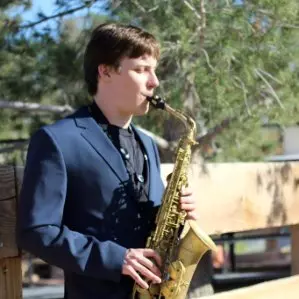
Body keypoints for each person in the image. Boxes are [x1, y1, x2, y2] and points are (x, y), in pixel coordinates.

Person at [17, 22, 197, 299]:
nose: (155, 81)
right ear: (106, 71)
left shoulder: (147, 143)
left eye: (154, 69)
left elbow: (142, 223)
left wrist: (174, 214)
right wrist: (117, 258)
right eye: (141, 69)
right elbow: (37, 231)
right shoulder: (57, 140)